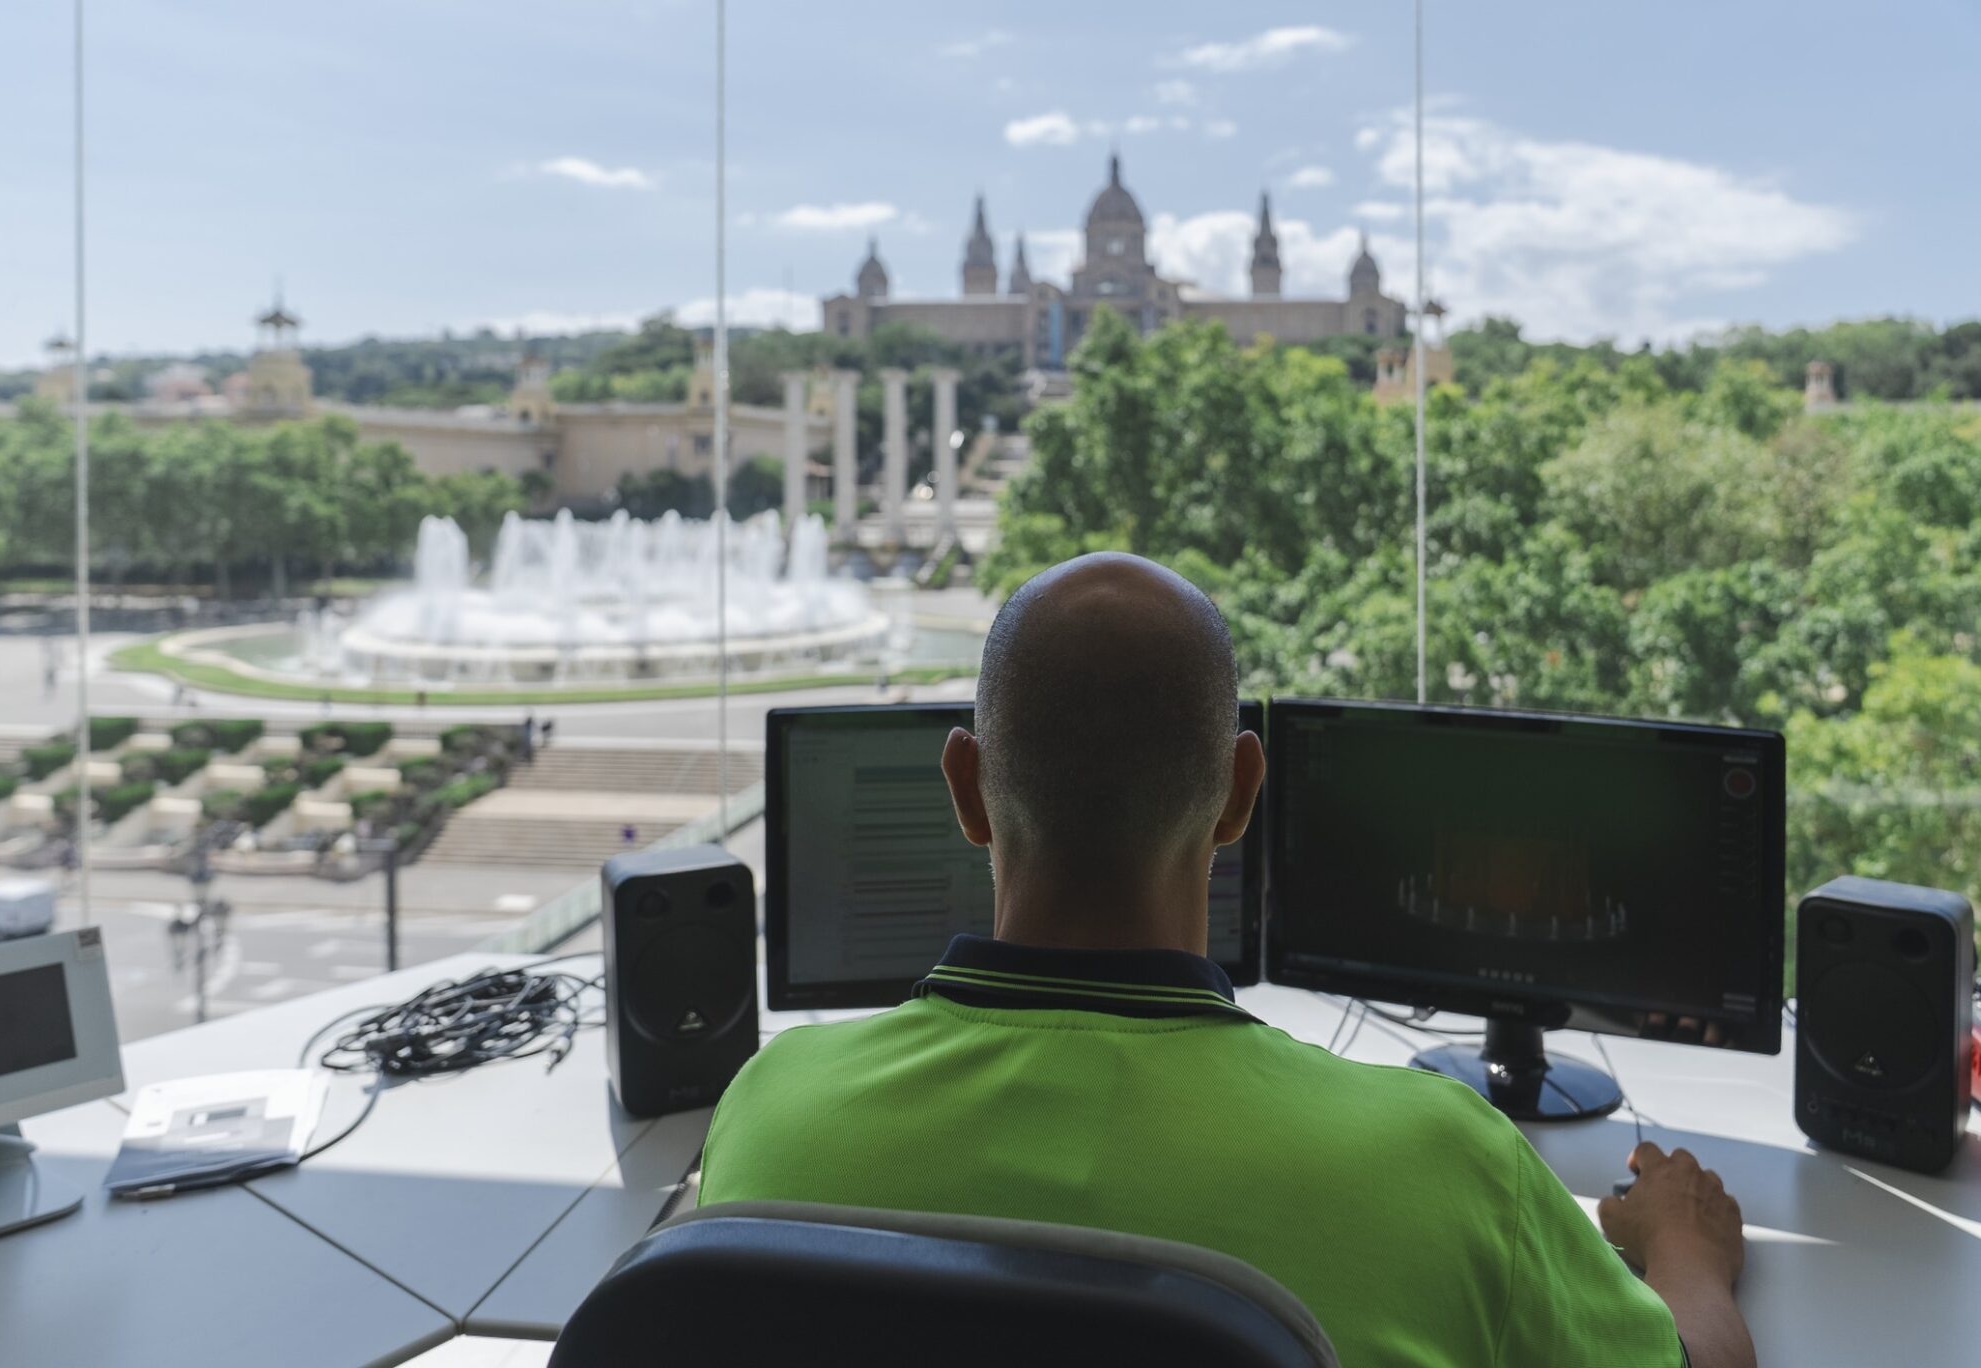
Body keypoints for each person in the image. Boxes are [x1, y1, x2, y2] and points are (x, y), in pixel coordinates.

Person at [699, 553, 1753, 1368]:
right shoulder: (1440, 1163)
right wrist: (1686, 1261)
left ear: (965, 791)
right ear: (1242, 793)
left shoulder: (770, 1112)